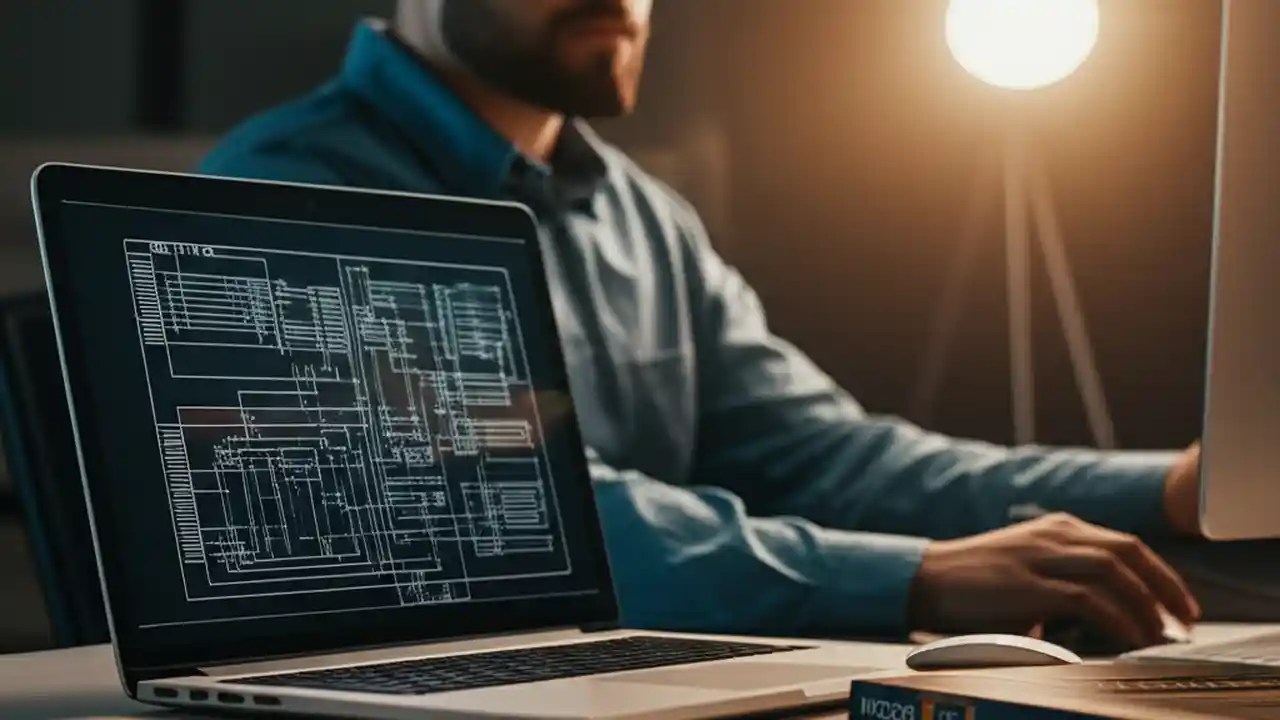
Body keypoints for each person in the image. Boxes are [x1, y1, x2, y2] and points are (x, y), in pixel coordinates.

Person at [201, 0, 1205, 647]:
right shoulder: (295, 188)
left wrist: (1170, 486)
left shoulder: (643, 217)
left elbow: (823, 460)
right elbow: (503, 512)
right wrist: (911, 577)